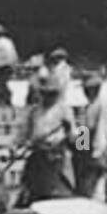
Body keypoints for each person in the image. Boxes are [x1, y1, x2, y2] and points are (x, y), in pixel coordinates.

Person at [16, 76, 76, 206]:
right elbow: (23, 134)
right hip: (38, 156)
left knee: (56, 192)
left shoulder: (65, 110)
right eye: (46, 94)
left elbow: (77, 139)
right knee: (32, 190)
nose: (49, 97)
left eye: (52, 94)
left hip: (56, 157)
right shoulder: (34, 112)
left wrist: (69, 128)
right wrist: (17, 145)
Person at [75, 75, 107, 201]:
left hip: (98, 148)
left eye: (88, 89)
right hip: (87, 150)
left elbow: (102, 130)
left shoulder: (102, 105)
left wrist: (97, 151)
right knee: (87, 184)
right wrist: (81, 149)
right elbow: (83, 131)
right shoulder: (87, 107)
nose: (85, 92)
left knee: (98, 183)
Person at [0, 23, 18, 107]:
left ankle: (5, 100)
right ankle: (6, 100)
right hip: (8, 66)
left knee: (1, 84)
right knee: (2, 84)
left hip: (3, 66)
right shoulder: (8, 41)